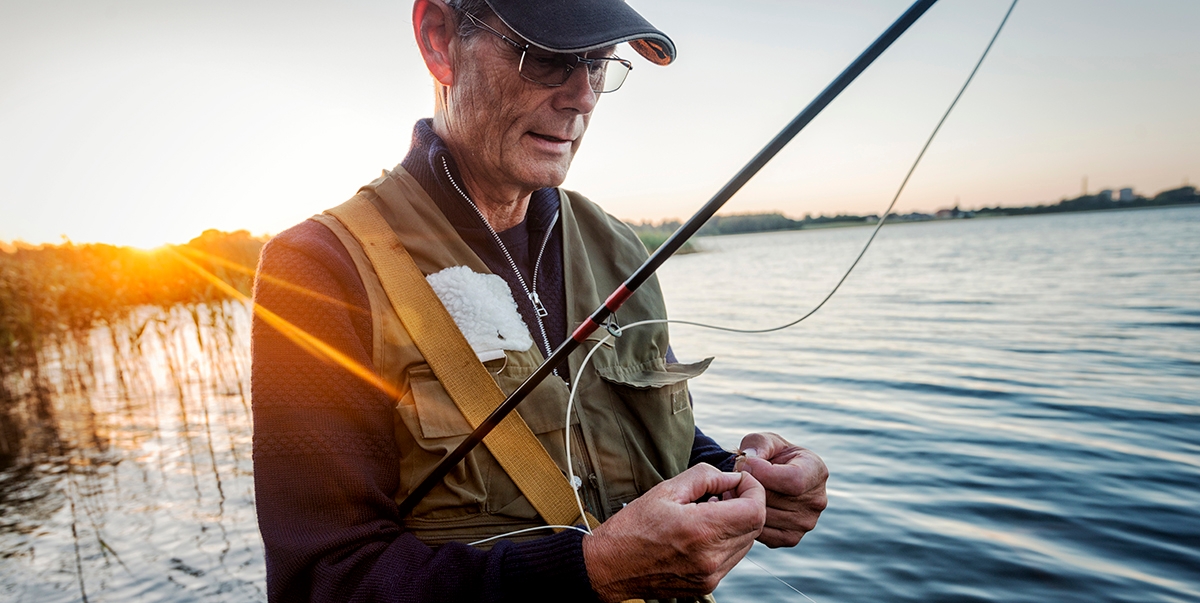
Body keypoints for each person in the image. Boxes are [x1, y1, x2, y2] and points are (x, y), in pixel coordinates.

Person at [250, 0, 828, 601]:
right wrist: (591, 570)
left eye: (598, 63)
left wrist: (741, 478)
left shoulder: (618, 244)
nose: (582, 96)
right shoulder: (320, 268)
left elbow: (639, 437)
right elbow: (323, 581)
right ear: (439, 39)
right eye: (547, 57)